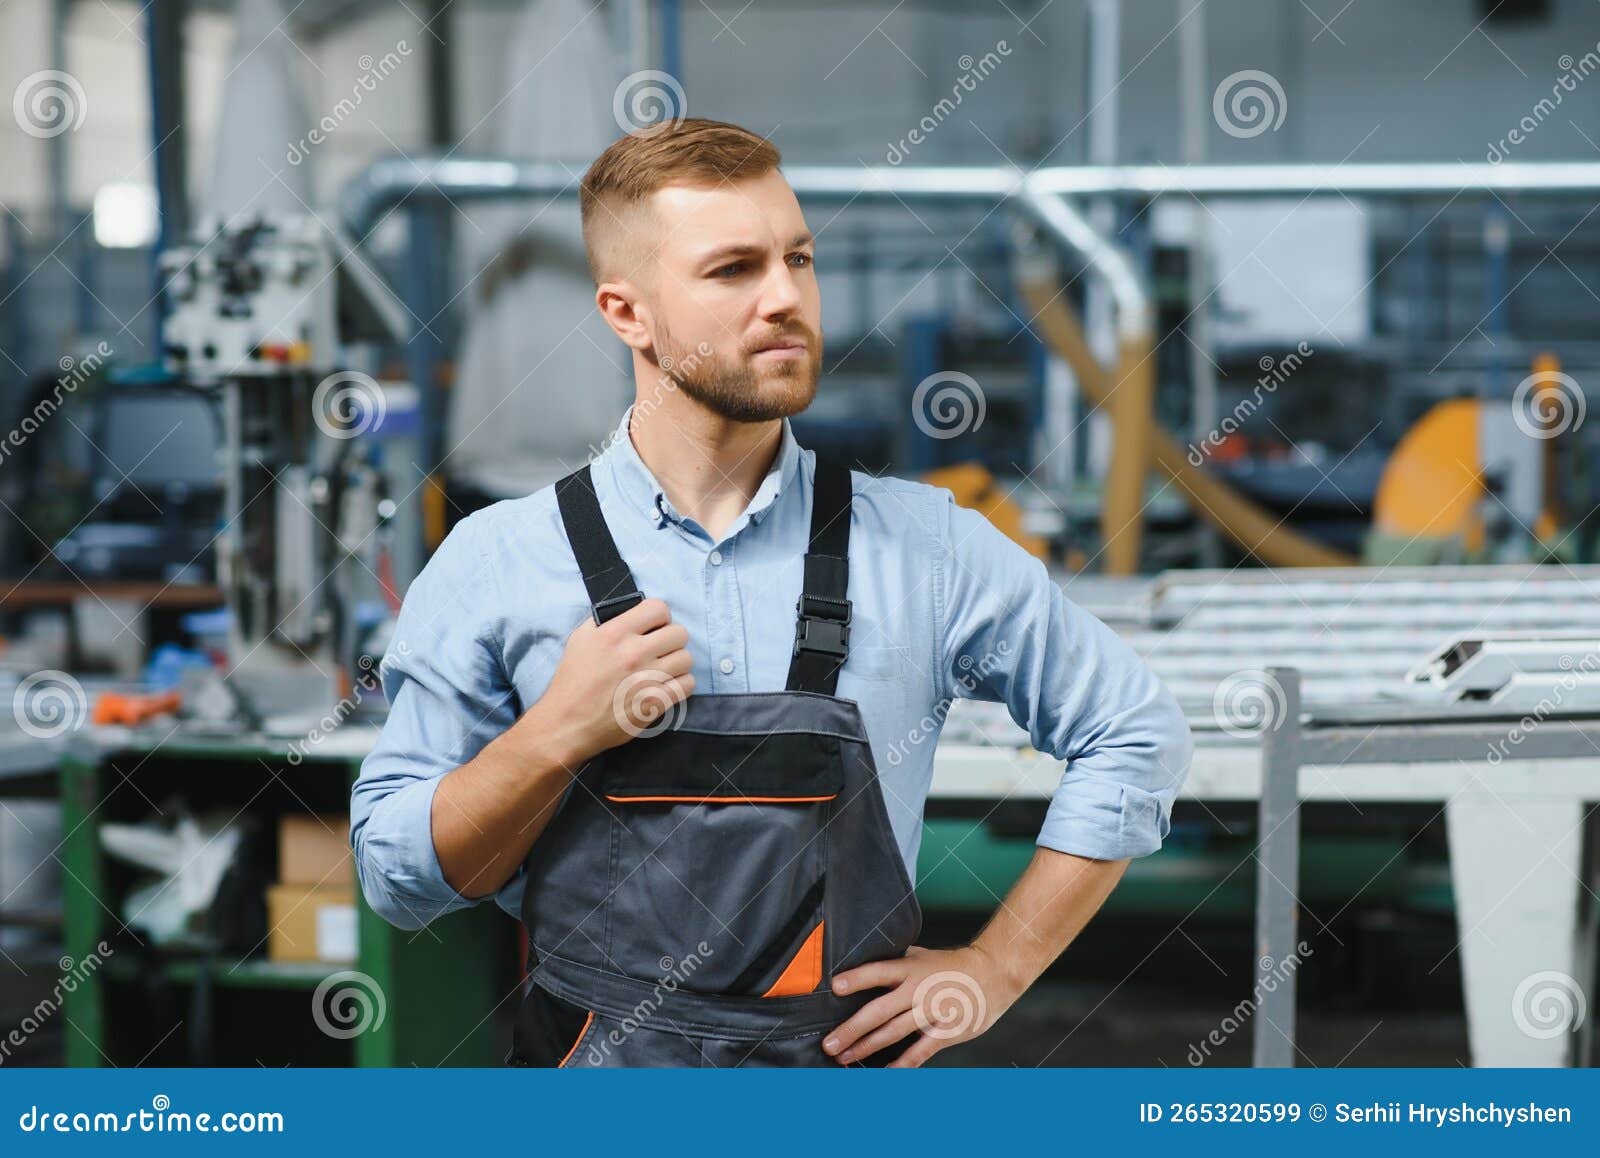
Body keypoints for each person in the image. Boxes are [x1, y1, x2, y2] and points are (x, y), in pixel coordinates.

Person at [351, 118, 1193, 1068]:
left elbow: (1133, 733)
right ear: (627, 313)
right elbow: (398, 879)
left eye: (798, 259)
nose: (786, 298)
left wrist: (998, 966)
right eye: (733, 270)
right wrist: (555, 733)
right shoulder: (497, 561)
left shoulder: (928, 547)